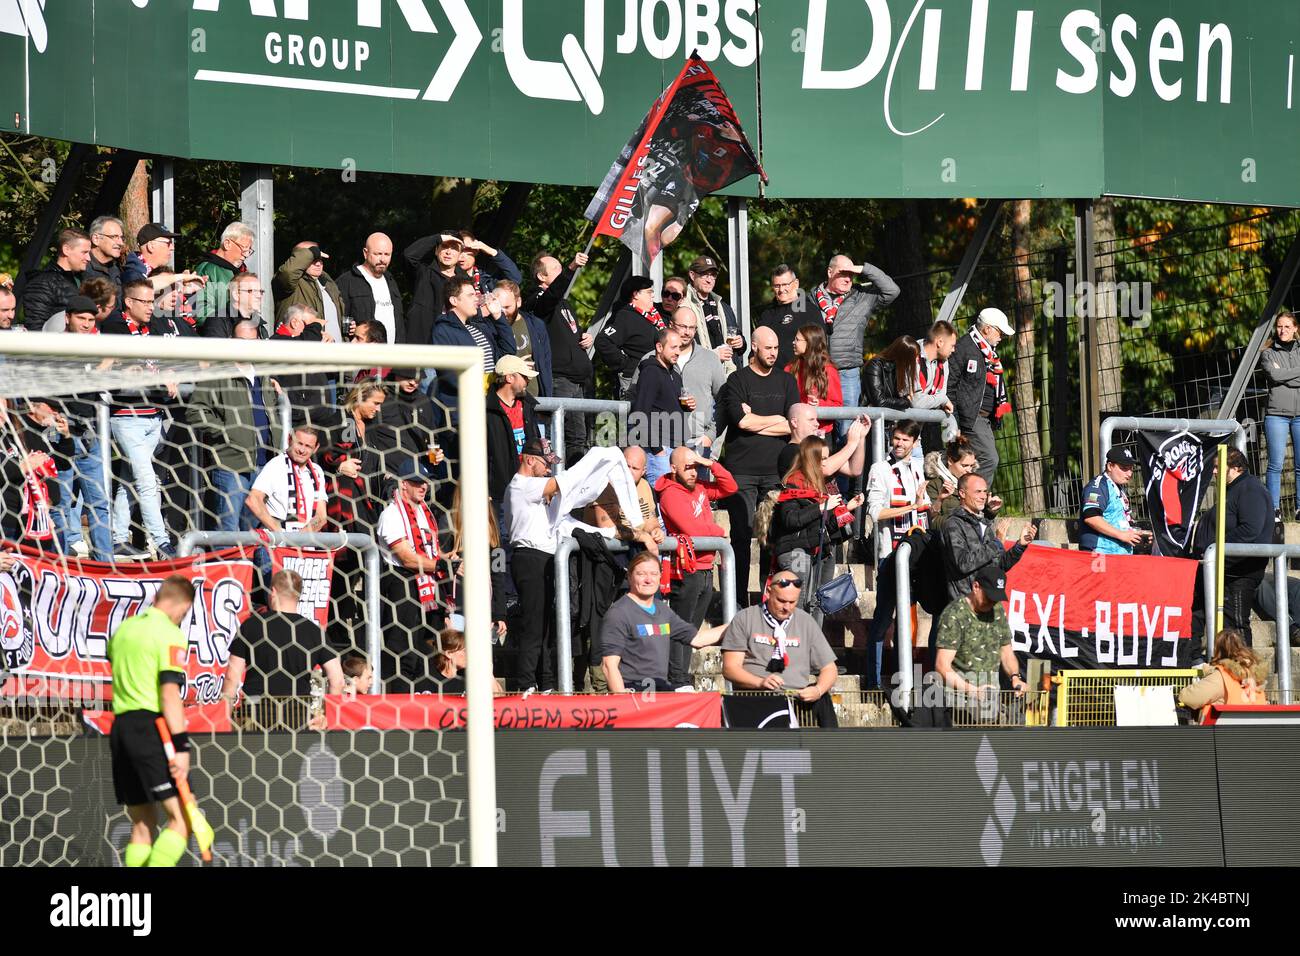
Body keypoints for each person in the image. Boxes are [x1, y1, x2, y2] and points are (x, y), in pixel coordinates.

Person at [107, 575, 211, 867]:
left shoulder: (123, 631)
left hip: (121, 729)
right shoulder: (169, 634)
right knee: (181, 819)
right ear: (184, 606)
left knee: (142, 824)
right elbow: (168, 694)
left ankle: (132, 906)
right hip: (152, 729)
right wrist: (181, 747)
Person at [719, 326, 801, 602]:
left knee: (772, 539)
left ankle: (769, 599)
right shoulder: (737, 379)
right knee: (740, 537)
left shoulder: (787, 381)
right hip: (741, 470)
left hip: (776, 471)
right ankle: (737, 601)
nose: (774, 353)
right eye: (768, 348)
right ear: (754, 346)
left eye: (776, 348)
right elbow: (740, 422)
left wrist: (756, 419)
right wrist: (772, 421)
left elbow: (792, 424)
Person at [100, 278, 177, 559]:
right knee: (146, 481)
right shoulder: (113, 328)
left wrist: (168, 374)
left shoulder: (154, 327)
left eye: (152, 301)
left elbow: (161, 362)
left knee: (129, 482)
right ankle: (163, 542)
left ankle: (119, 538)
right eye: (144, 302)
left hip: (154, 417)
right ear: (128, 302)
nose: (150, 307)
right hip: (127, 417)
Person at [187, 319, 282, 532]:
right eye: (241, 341)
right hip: (232, 463)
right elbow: (195, 411)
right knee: (228, 529)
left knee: (258, 529)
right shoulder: (218, 372)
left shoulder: (264, 374)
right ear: (231, 341)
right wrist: (227, 431)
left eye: (251, 341)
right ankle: (229, 566)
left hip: (265, 463)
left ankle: (257, 567)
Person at [655, 446, 737, 678]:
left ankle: (681, 676)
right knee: (682, 628)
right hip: (687, 570)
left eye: (696, 468)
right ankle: (676, 678)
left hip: (705, 569)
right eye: (688, 468)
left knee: (692, 630)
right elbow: (692, 529)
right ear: (673, 469)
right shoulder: (670, 494)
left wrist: (709, 463)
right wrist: (719, 531)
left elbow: (730, 487)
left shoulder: (699, 486)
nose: (693, 472)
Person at [720, 571, 840, 727]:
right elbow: (730, 668)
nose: (787, 607)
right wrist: (760, 682)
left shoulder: (805, 621)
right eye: (781, 601)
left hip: (797, 698)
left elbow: (830, 669)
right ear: (768, 592)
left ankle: (834, 748)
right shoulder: (745, 618)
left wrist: (817, 690)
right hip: (757, 698)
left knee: (823, 699)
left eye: (792, 602)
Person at [599, 552, 726, 693]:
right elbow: (608, 665)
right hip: (633, 692)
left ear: (660, 576)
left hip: (659, 692)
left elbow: (697, 639)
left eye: (654, 574)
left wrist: (736, 625)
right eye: (641, 574)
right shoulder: (619, 613)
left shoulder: (662, 609)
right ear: (629, 577)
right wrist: (623, 698)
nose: (648, 580)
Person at [864, 420, 930, 688]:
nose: (899, 444)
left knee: (909, 619)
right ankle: (873, 680)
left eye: (905, 440)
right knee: (882, 619)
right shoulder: (880, 469)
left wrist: (934, 503)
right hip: (890, 554)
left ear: (915, 443)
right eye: (896, 439)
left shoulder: (917, 467)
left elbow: (923, 511)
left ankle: (907, 681)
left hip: (916, 555)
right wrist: (911, 506)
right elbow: (875, 512)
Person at [376, 458, 450, 690]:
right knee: (402, 651)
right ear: (402, 485)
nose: (423, 487)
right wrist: (440, 566)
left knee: (428, 649)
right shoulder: (391, 515)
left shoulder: (425, 513)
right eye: (417, 482)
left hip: (428, 585)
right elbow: (406, 558)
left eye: (426, 482)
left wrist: (453, 561)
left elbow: (434, 552)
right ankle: (397, 706)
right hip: (401, 584)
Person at [222, 569, 343, 705]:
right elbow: (337, 680)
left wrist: (225, 718)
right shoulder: (314, 632)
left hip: (257, 714)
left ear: (273, 592)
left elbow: (231, 678)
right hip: (297, 716)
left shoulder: (251, 625)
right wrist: (326, 716)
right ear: (298, 595)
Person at [772, 435, 864, 608]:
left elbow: (824, 526)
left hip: (819, 551)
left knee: (819, 603)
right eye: (821, 459)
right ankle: (796, 636)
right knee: (798, 604)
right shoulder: (793, 484)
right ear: (809, 459)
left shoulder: (820, 486)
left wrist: (848, 507)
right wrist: (821, 507)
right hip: (797, 552)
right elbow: (791, 519)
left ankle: (814, 635)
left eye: (826, 458)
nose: (825, 463)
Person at [1194, 447, 1274, 639]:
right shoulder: (1233, 489)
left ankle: (1242, 667)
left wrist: (1214, 548)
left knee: (1235, 626)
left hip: (1238, 571)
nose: (1214, 472)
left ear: (1236, 468)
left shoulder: (1249, 489)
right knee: (1223, 624)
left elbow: (1250, 530)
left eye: (1218, 467)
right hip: (1224, 567)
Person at [809, 255, 900, 416]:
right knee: (818, 425)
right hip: (816, 371)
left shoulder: (862, 296)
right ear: (830, 272)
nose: (848, 278)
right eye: (843, 272)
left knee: (847, 426)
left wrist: (863, 269)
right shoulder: (809, 298)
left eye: (851, 274)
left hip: (847, 373)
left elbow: (892, 291)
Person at [525, 250, 593, 463]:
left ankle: (577, 485)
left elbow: (570, 333)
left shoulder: (564, 303)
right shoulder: (537, 299)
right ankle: (559, 482)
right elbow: (549, 299)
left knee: (579, 437)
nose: (561, 270)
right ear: (541, 276)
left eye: (562, 268)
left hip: (577, 380)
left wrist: (586, 338)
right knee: (560, 436)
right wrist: (572, 268)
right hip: (559, 378)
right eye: (555, 269)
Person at [933, 563, 1030, 706]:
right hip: (958, 704)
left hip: (990, 703)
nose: (991, 603)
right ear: (976, 587)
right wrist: (973, 691)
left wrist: (1015, 677)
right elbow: (942, 666)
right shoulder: (954, 614)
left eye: (995, 598)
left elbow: (1007, 652)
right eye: (988, 597)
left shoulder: (997, 610)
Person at [940, 472, 1036, 601]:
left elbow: (999, 565)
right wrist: (996, 544)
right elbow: (963, 564)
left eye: (985, 492)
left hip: (988, 599)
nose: (983, 496)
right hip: (965, 604)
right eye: (978, 491)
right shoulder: (953, 524)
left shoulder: (983, 522)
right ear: (962, 493)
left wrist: (1020, 546)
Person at [949, 308, 1015, 485]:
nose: (1002, 337)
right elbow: (950, 385)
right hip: (972, 417)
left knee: (974, 462)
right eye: (1000, 332)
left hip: (984, 418)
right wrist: (955, 420)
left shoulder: (987, 351)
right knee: (989, 459)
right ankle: (976, 502)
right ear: (987, 329)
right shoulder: (964, 348)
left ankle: (971, 501)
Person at [431, 276, 516, 413]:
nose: (477, 299)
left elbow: (509, 351)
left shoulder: (479, 327)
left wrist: (498, 316)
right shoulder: (443, 329)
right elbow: (448, 373)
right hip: (464, 408)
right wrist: (479, 387)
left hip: (490, 404)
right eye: (470, 295)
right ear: (454, 300)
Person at [630, 327, 688, 487]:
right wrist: (657, 449)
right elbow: (639, 414)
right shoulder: (651, 372)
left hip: (675, 449)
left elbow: (668, 406)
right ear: (659, 347)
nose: (678, 352)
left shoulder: (675, 375)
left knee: (674, 504)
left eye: (679, 348)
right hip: (659, 450)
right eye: (673, 347)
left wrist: (687, 407)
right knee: (661, 504)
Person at [247, 426, 329, 534]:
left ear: (316, 448)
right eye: (299, 443)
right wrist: (280, 534)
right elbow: (253, 500)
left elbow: (321, 516)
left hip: (305, 543)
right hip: (277, 543)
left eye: (308, 446)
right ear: (289, 439)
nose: (302, 450)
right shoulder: (276, 465)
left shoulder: (317, 471)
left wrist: (300, 538)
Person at [595, 275, 665, 399]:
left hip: (654, 377)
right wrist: (624, 365)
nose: (653, 296)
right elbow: (603, 341)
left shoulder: (653, 317)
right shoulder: (624, 317)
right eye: (649, 292)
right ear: (636, 294)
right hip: (634, 382)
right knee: (634, 417)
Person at [1259, 310, 1300, 519]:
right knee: (1275, 464)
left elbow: (1280, 376)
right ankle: (1274, 510)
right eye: (1279, 326)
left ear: (1295, 328)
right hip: (1277, 414)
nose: (1282, 330)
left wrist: (1284, 375)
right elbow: (1274, 375)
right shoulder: (1268, 352)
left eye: (1286, 326)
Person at [486, 355, 543, 505]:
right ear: (510, 378)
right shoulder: (486, 410)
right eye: (524, 376)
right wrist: (485, 489)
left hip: (528, 487)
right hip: (499, 494)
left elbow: (535, 443)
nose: (528, 381)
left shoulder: (527, 405)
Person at [667, 307, 726, 449]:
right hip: (661, 442)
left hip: (698, 442)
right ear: (671, 325)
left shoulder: (710, 359)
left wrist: (710, 436)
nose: (687, 332)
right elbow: (634, 397)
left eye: (692, 328)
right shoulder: (653, 358)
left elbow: (724, 400)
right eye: (682, 326)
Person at [1177, 629, 1267, 721]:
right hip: (1256, 728)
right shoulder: (1256, 674)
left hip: (1226, 731)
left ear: (1218, 651)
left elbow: (1189, 697)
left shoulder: (1221, 676)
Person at [1079, 447, 1150, 555]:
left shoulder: (1118, 487)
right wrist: (1121, 535)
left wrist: (1140, 534)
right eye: (1124, 468)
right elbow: (1091, 517)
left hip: (1118, 555)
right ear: (1110, 466)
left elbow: (1121, 521)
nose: (1130, 473)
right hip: (1099, 554)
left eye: (1131, 468)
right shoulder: (1097, 486)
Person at [336, 232, 404, 344]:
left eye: (387, 254)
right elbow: (337, 320)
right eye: (377, 254)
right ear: (365, 253)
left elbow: (399, 324)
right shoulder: (346, 281)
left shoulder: (391, 281)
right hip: (361, 356)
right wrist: (348, 328)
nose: (382, 259)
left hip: (391, 356)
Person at [404, 228, 468, 348]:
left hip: (453, 344)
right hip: (422, 343)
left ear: (460, 254)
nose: (448, 252)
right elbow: (409, 255)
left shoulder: (465, 281)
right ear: (436, 250)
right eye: (444, 246)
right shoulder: (424, 272)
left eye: (454, 248)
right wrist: (438, 238)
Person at [681, 255, 745, 374]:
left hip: (728, 375)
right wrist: (713, 356)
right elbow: (681, 347)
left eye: (713, 275)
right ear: (692, 275)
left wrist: (741, 342)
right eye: (704, 274)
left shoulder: (723, 306)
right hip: (700, 376)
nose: (709, 280)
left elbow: (738, 337)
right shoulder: (683, 307)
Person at [273, 241, 344, 343]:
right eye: (312, 259)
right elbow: (288, 272)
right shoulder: (290, 282)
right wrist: (312, 253)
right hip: (301, 351)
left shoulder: (328, 281)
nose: (318, 263)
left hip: (333, 353)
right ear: (298, 259)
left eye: (320, 259)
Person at [778, 403, 870, 482]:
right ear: (794, 422)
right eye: (811, 420)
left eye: (816, 419)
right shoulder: (790, 452)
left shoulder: (818, 448)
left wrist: (860, 438)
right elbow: (825, 469)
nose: (817, 424)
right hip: (815, 503)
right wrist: (851, 444)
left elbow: (854, 470)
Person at [924, 437, 999, 531]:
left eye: (971, 465)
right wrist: (962, 520)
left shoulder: (973, 480)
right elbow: (932, 522)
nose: (969, 470)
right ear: (950, 461)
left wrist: (990, 508)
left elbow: (983, 519)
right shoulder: (935, 484)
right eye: (964, 465)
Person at [754, 263, 821, 369]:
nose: (781, 290)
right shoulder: (768, 314)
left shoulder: (810, 311)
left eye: (785, 284)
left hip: (801, 375)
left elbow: (819, 347)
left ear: (796, 284)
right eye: (777, 286)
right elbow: (757, 344)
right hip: (772, 376)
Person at [21, 227, 90, 330]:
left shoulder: (84, 280)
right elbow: (35, 328)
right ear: (66, 250)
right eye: (84, 252)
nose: (88, 258)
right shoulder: (42, 283)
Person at [497, 279, 552, 398]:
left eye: (507, 307)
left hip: (534, 396)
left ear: (519, 302)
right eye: (499, 307)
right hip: (506, 396)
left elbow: (546, 363)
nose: (503, 312)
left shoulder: (536, 325)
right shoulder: (491, 326)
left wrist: (547, 395)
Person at [190, 222, 254, 326]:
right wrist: (231, 325)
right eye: (244, 249)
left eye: (249, 251)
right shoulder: (207, 269)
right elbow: (201, 313)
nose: (246, 255)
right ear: (227, 243)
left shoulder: (241, 271)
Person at [786, 323, 842, 434]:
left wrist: (819, 404)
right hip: (796, 431)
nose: (793, 342)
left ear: (809, 343)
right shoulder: (790, 368)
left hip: (821, 432)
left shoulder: (828, 370)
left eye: (797, 340)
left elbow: (838, 405)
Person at [416, 628, 505, 695]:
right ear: (449, 654)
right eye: (465, 651)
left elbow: (499, 701)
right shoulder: (427, 681)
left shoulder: (469, 677)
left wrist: (489, 674)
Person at [914, 320, 959, 449]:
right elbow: (916, 403)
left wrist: (941, 400)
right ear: (939, 342)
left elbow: (940, 395)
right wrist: (943, 400)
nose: (954, 350)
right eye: (952, 345)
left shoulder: (943, 363)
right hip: (896, 433)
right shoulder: (913, 355)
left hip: (916, 434)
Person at [200, 272, 267, 340]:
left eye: (260, 292)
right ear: (236, 295)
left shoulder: (259, 323)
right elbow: (216, 349)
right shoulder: (217, 322)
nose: (259, 296)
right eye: (252, 291)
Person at [457, 231, 522, 297]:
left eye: (467, 249)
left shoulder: (486, 277)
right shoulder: (451, 279)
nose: (461, 256)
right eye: (458, 250)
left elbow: (515, 279)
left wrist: (492, 252)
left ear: (476, 250)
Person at [865, 334, 921, 411]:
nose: (917, 359)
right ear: (905, 356)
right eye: (915, 356)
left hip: (888, 416)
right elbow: (880, 401)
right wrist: (906, 402)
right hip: (871, 417)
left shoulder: (899, 368)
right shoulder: (875, 366)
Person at [84, 215, 126, 306]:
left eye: (121, 238)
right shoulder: (83, 269)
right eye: (114, 237)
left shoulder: (115, 269)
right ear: (96, 239)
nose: (121, 243)